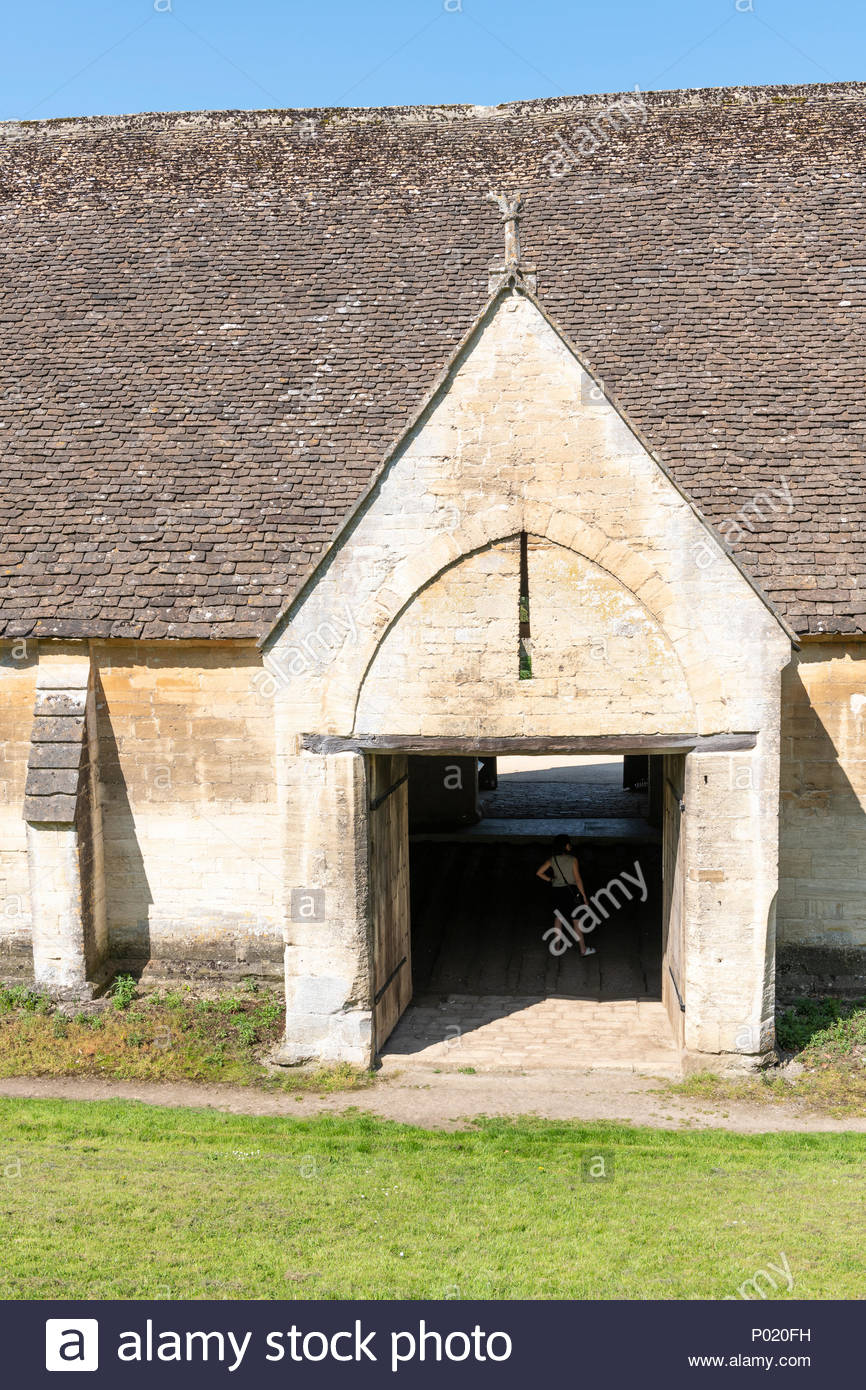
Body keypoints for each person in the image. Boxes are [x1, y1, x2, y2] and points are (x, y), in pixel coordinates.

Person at [536, 834, 596, 956]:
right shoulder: (573, 859)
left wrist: (550, 880)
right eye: (569, 843)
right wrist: (584, 896)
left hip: (557, 891)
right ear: (565, 846)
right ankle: (583, 950)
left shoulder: (553, 859)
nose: (570, 845)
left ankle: (557, 947)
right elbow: (578, 879)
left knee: (558, 919)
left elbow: (539, 872)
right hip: (571, 891)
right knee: (576, 920)